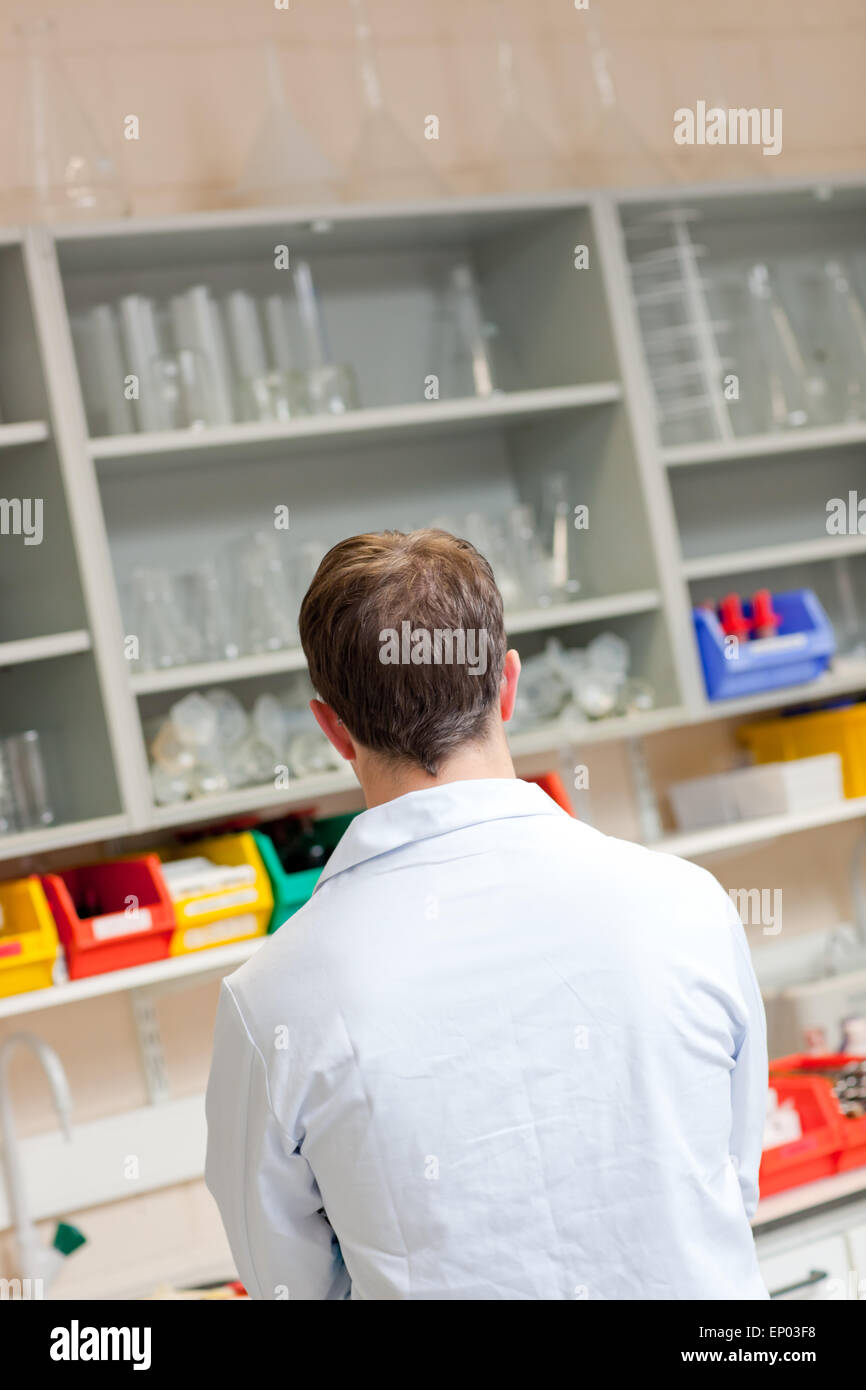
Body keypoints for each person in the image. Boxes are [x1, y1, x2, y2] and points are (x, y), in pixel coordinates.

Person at [205, 528, 768, 1300]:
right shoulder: (685, 904)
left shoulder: (271, 998)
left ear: (332, 729)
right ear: (507, 685)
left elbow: (287, 1284)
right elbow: (729, 1191)